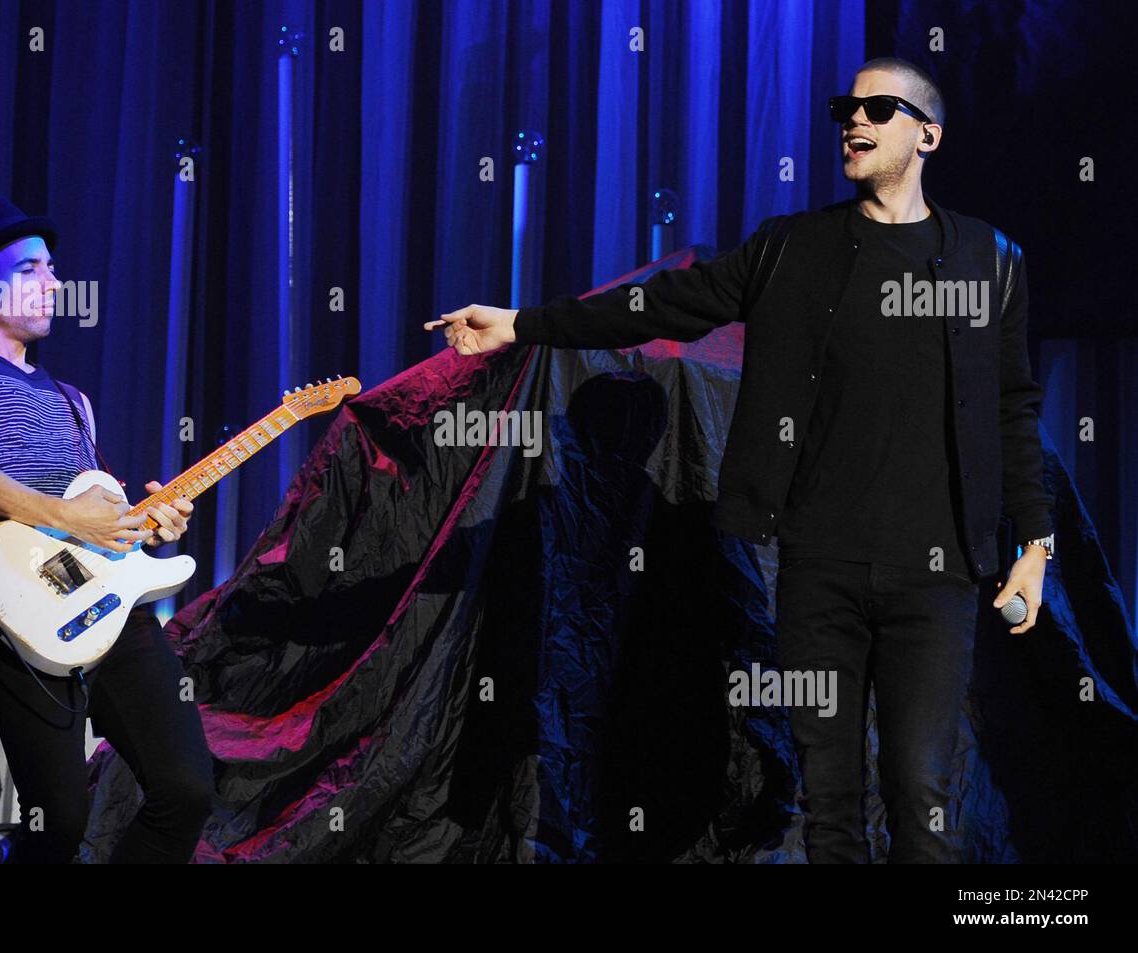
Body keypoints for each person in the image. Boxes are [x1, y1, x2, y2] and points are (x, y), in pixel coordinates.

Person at [425, 58, 1054, 863]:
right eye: (845, 108)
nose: (853, 121)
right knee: (829, 803)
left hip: (936, 577)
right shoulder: (794, 249)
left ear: (928, 133)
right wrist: (525, 322)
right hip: (819, 566)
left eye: (878, 108)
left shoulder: (990, 259)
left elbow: (1013, 408)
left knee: (920, 789)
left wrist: (1034, 546)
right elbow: (660, 304)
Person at [0, 197, 215, 863]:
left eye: (54, 269)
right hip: (18, 618)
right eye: (32, 270)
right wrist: (73, 516)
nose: (53, 284)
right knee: (60, 821)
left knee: (186, 786)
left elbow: (98, 510)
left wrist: (145, 521)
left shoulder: (75, 400)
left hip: (111, 610)